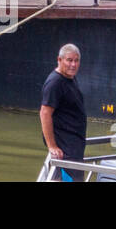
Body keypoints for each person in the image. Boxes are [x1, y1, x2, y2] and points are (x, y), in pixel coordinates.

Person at [40, 44, 86, 180]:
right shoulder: (55, 83)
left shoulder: (70, 78)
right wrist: (52, 146)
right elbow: (45, 113)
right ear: (59, 60)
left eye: (76, 60)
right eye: (69, 60)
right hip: (65, 149)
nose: (73, 64)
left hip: (74, 147)